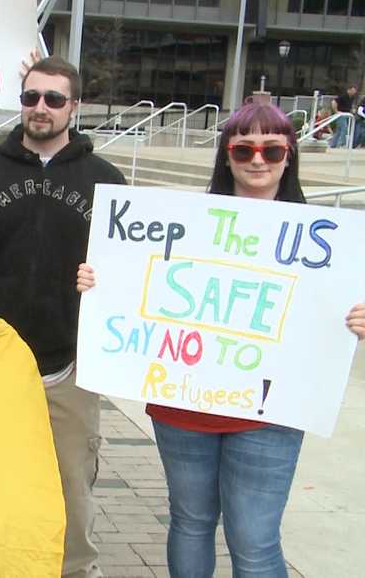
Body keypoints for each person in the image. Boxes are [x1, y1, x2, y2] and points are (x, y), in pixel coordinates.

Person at [77, 102, 365, 577]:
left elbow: (332, 315)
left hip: (271, 412)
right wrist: (99, 282)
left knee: (253, 541)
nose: (257, 159)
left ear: (289, 156)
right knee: (190, 522)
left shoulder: (326, 243)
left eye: (271, 149)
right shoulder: (184, 220)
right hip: (185, 401)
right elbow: (132, 279)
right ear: (226, 155)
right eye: (244, 147)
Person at [0, 55, 126, 578]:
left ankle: (74, 570)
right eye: (30, 97)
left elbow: (130, 278)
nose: (39, 108)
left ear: (75, 106)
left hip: (71, 365)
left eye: (53, 99)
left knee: (71, 486)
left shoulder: (106, 181)